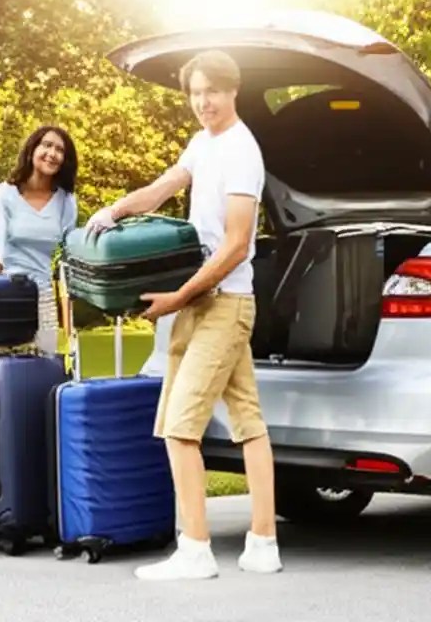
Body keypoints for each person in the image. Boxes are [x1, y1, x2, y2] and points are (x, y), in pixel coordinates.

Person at [84, 49, 280, 580]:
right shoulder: (203, 142)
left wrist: (177, 299)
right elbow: (166, 186)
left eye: (211, 91)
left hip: (224, 303)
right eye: (195, 93)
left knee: (179, 427)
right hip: (204, 303)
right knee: (248, 422)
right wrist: (116, 209)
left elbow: (237, 245)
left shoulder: (242, 151)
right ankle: (263, 543)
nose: (202, 102)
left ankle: (195, 549)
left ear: (232, 90)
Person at [0, 125, 79, 355]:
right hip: (5, 290)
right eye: (47, 145)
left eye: (60, 150)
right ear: (32, 150)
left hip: (42, 296)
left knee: (44, 367)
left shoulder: (66, 201)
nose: (52, 153)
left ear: (64, 160)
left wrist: (70, 324)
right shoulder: (3, 193)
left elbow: (68, 255)